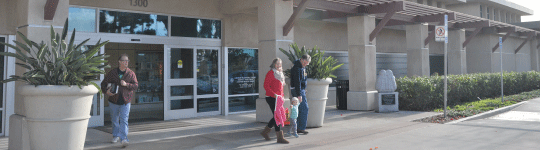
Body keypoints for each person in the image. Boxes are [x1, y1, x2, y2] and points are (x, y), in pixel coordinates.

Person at [101, 53, 138, 148]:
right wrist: (107, 92)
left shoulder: (130, 73)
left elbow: (136, 86)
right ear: (119, 62)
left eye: (127, 61)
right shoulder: (113, 73)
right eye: (124, 61)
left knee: (124, 120)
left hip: (126, 101)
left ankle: (124, 138)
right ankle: (115, 135)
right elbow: (103, 84)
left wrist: (127, 85)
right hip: (113, 101)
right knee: (114, 120)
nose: (126, 62)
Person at [260, 58, 289, 144]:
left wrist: (282, 97)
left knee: (277, 116)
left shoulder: (280, 74)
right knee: (277, 116)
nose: (279, 65)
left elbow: (281, 88)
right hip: (271, 97)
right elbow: (266, 86)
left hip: (279, 98)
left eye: (280, 64)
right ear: (273, 64)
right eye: (277, 64)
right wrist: (274, 95)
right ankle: (280, 138)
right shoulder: (270, 73)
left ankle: (265, 132)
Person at [290, 54, 311, 134]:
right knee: (304, 108)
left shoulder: (302, 67)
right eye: (305, 62)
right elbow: (297, 82)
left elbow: (303, 79)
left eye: (307, 63)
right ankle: (300, 128)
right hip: (297, 90)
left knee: (299, 108)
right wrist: (299, 94)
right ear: (301, 59)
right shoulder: (296, 68)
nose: (305, 64)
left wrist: (304, 89)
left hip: (300, 90)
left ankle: (298, 127)